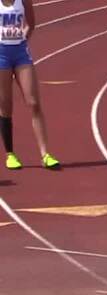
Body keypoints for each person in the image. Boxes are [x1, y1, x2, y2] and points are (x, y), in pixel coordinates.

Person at [0, 0, 58, 169]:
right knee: (5, 107)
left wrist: (21, 39)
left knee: (33, 102)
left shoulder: (23, 0)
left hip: (20, 53)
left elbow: (31, 24)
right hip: (1, 55)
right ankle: (10, 154)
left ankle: (45, 153)